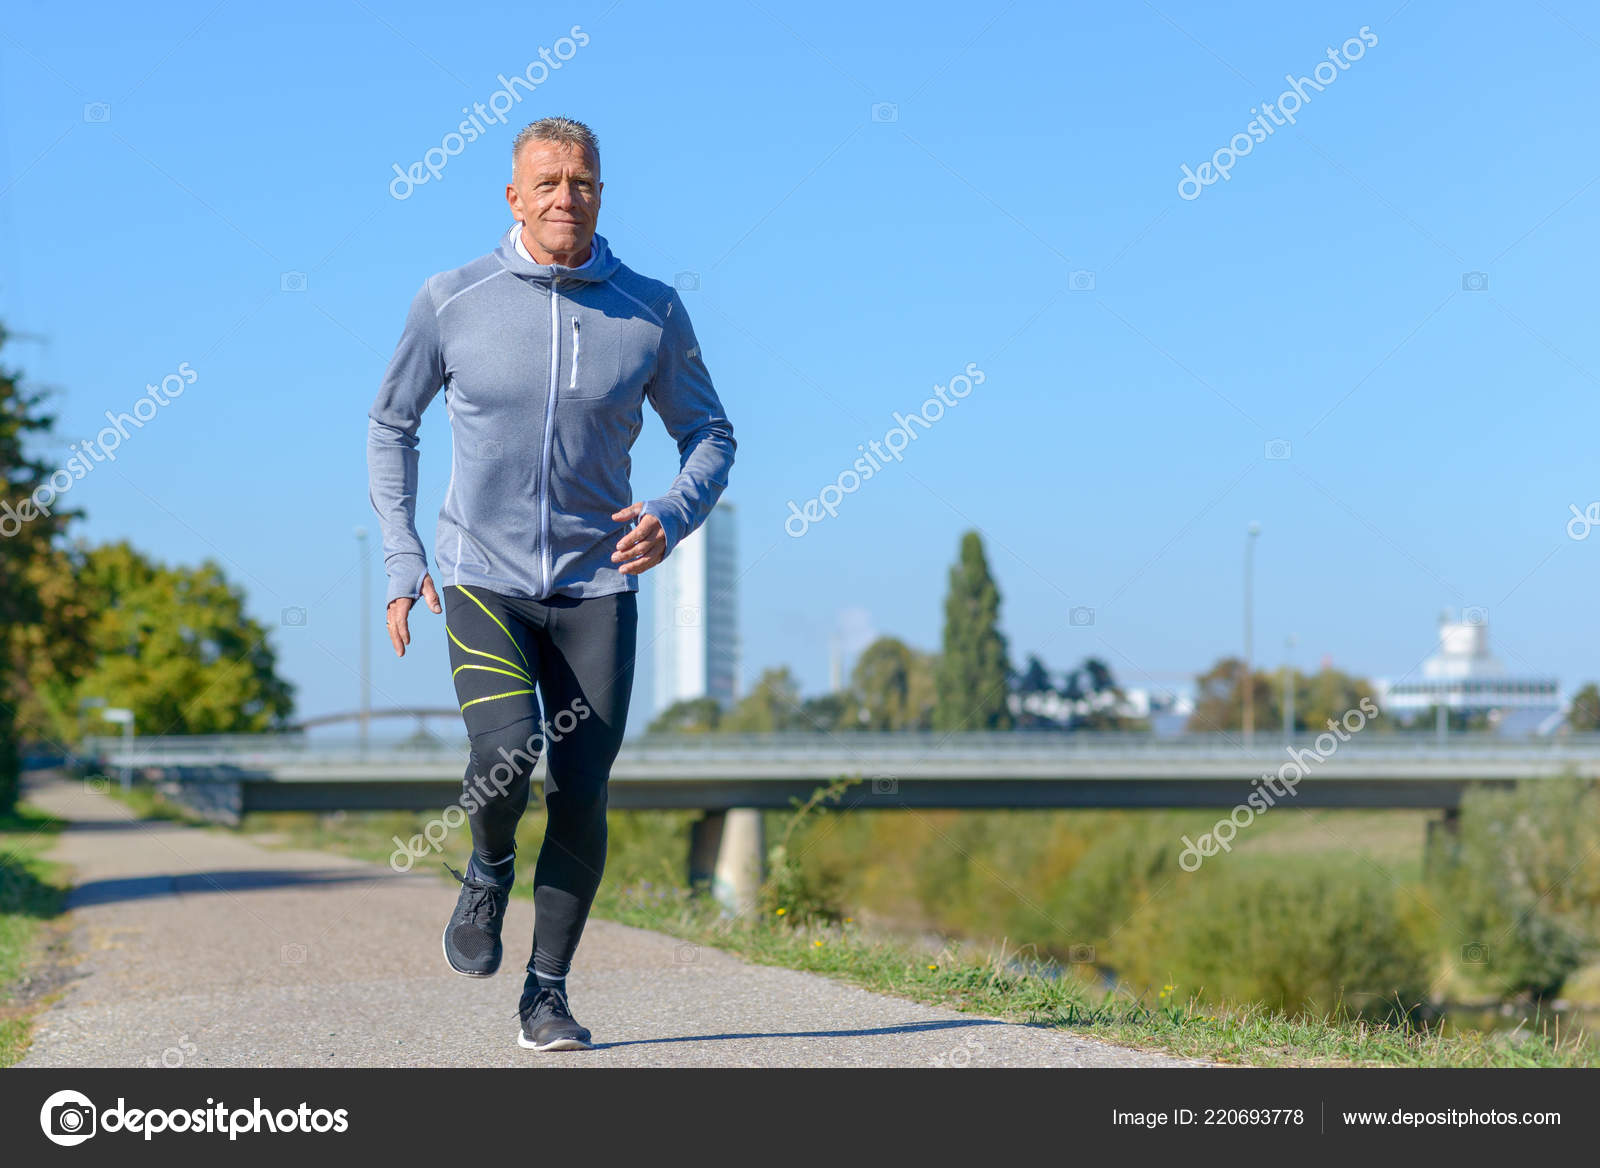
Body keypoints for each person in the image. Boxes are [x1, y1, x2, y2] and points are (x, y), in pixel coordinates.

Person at [366, 116, 735, 1051]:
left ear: (601, 192)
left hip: (598, 587)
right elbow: (390, 424)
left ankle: (547, 992)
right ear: (513, 196)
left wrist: (674, 513)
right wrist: (403, 557)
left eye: (582, 181)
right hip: (482, 579)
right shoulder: (453, 299)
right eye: (547, 183)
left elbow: (711, 434)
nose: (565, 197)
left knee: (583, 791)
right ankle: (488, 869)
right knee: (506, 751)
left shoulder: (648, 310)